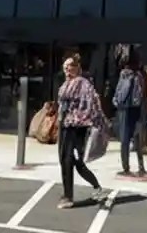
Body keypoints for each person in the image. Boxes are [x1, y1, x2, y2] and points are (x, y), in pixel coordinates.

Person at [56, 55, 106, 209]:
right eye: (65, 68)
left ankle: (70, 196)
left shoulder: (82, 83)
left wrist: (91, 122)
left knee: (71, 161)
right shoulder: (69, 83)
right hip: (66, 126)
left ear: (77, 68)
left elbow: (93, 104)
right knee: (69, 161)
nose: (67, 71)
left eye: (70, 67)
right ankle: (71, 193)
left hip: (76, 127)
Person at [111, 49, 147, 177]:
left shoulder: (125, 74)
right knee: (137, 138)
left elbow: (122, 91)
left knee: (125, 139)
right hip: (137, 108)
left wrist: (116, 101)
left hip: (125, 108)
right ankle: (141, 167)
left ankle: (126, 168)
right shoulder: (141, 75)